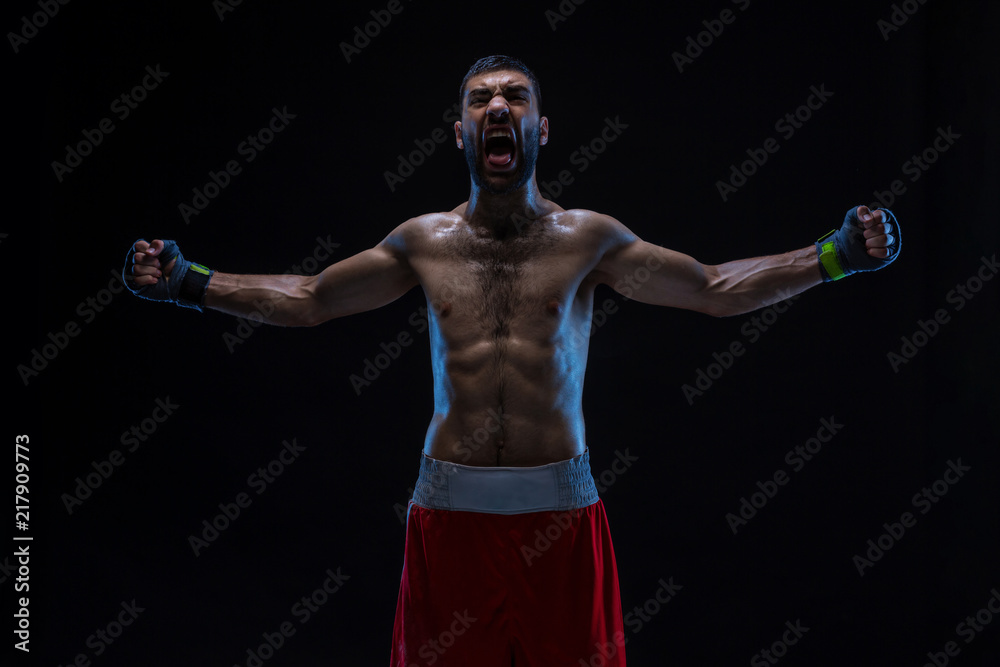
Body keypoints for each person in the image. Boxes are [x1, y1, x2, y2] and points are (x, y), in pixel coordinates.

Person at [123, 55, 899, 666]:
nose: (499, 106)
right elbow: (311, 297)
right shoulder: (421, 241)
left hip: (562, 519)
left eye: (516, 96)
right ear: (460, 133)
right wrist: (189, 282)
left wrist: (832, 256)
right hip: (448, 518)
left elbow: (712, 289)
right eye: (482, 99)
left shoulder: (589, 238)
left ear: (542, 127)